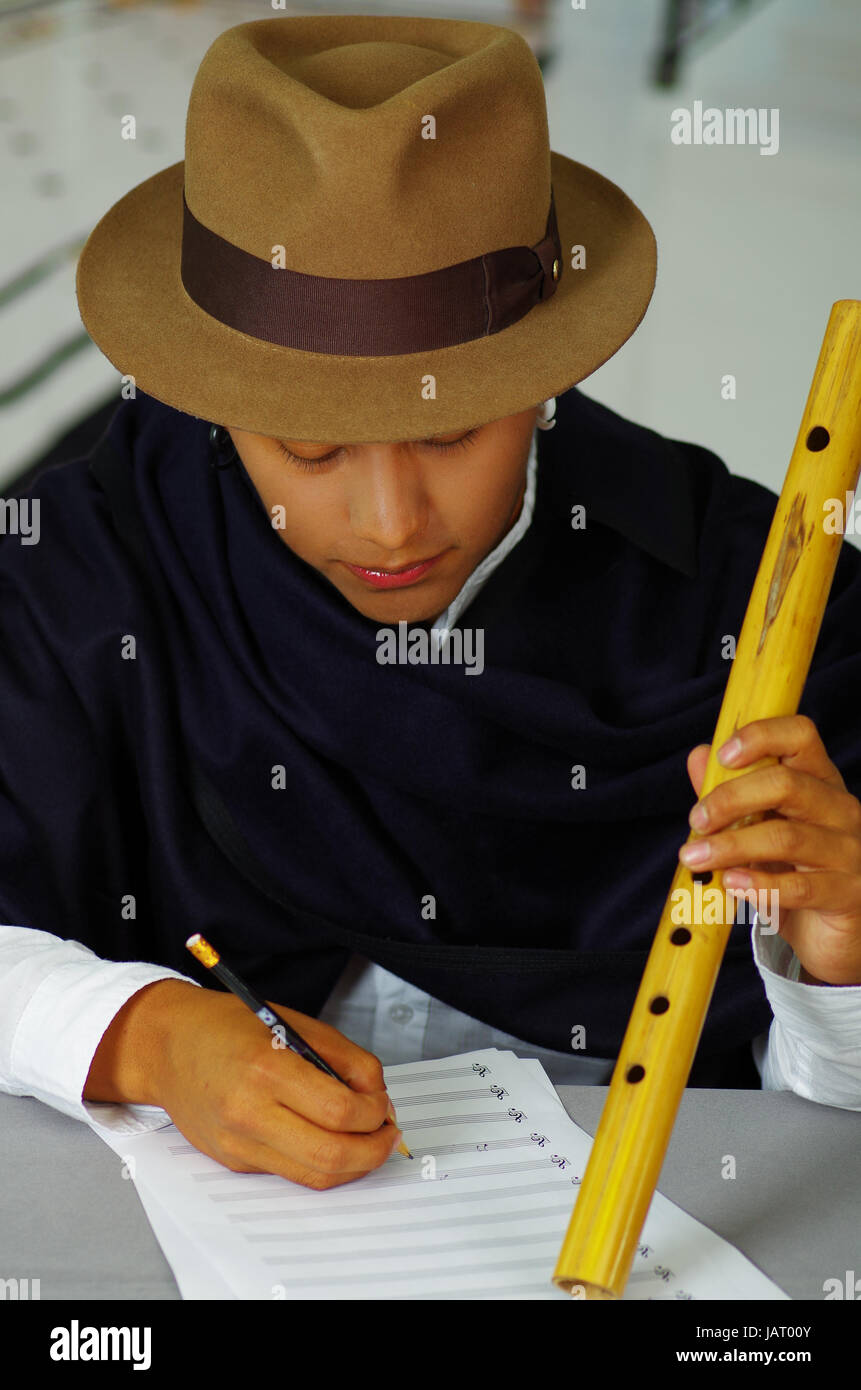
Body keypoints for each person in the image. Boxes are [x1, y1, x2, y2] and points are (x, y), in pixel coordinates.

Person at [2, 15, 860, 1196]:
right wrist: (143, 1034)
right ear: (212, 394)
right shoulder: (83, 567)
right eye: (308, 450)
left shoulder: (753, 597)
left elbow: (825, 1136)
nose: (395, 523)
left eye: (454, 431)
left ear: (550, 366)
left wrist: (839, 963)